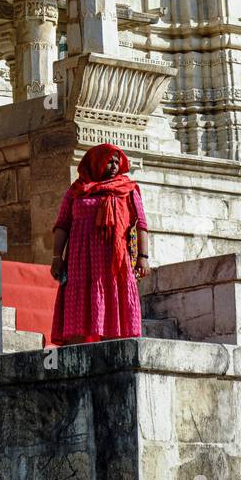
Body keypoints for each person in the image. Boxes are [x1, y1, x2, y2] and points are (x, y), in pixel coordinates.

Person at [49, 142, 149, 345]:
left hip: (113, 262)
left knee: (113, 301)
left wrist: (143, 258)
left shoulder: (128, 190)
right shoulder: (76, 190)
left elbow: (142, 225)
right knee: (79, 307)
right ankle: (76, 352)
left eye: (116, 162)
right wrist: (56, 257)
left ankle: (115, 350)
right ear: (96, 162)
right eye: (109, 161)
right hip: (80, 262)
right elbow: (62, 225)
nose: (113, 166)